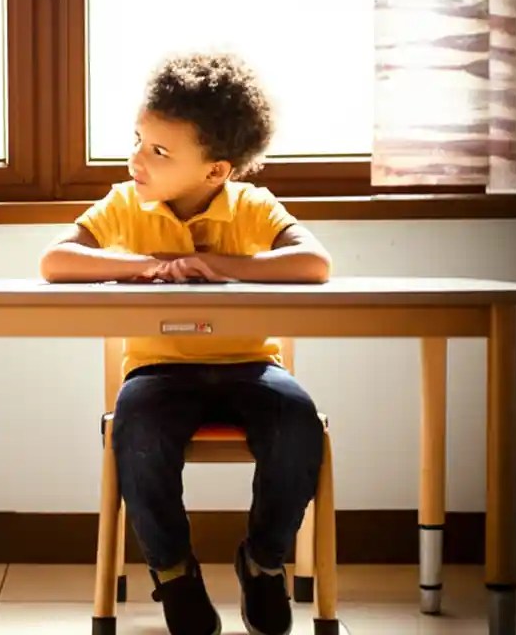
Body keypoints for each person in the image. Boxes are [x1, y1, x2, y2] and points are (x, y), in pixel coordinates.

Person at [39, 52, 332, 635]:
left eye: (159, 152)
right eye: (139, 141)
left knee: (299, 426)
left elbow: (315, 262)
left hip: (250, 366)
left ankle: (265, 561)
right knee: (136, 433)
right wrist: (141, 265)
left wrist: (220, 265)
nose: (136, 160)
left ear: (217, 171)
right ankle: (173, 572)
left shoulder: (252, 206)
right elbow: (54, 260)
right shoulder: (125, 204)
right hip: (159, 372)